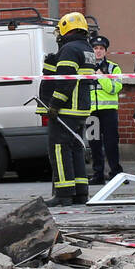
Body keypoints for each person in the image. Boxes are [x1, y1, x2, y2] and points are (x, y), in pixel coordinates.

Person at [40, 11, 96, 206]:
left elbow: (65, 81)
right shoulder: (86, 48)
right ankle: (80, 192)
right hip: (81, 109)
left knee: (59, 149)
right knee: (76, 149)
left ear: (66, 28)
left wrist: (54, 106)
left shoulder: (70, 49)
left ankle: (63, 194)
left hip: (67, 109)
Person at [87, 33, 123, 184]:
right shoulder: (86, 68)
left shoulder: (114, 68)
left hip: (108, 112)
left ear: (106, 51)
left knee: (111, 143)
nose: (98, 51)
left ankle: (116, 174)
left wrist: (102, 77)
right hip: (91, 112)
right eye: (95, 48)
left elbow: (116, 88)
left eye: (101, 48)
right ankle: (98, 175)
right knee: (94, 143)